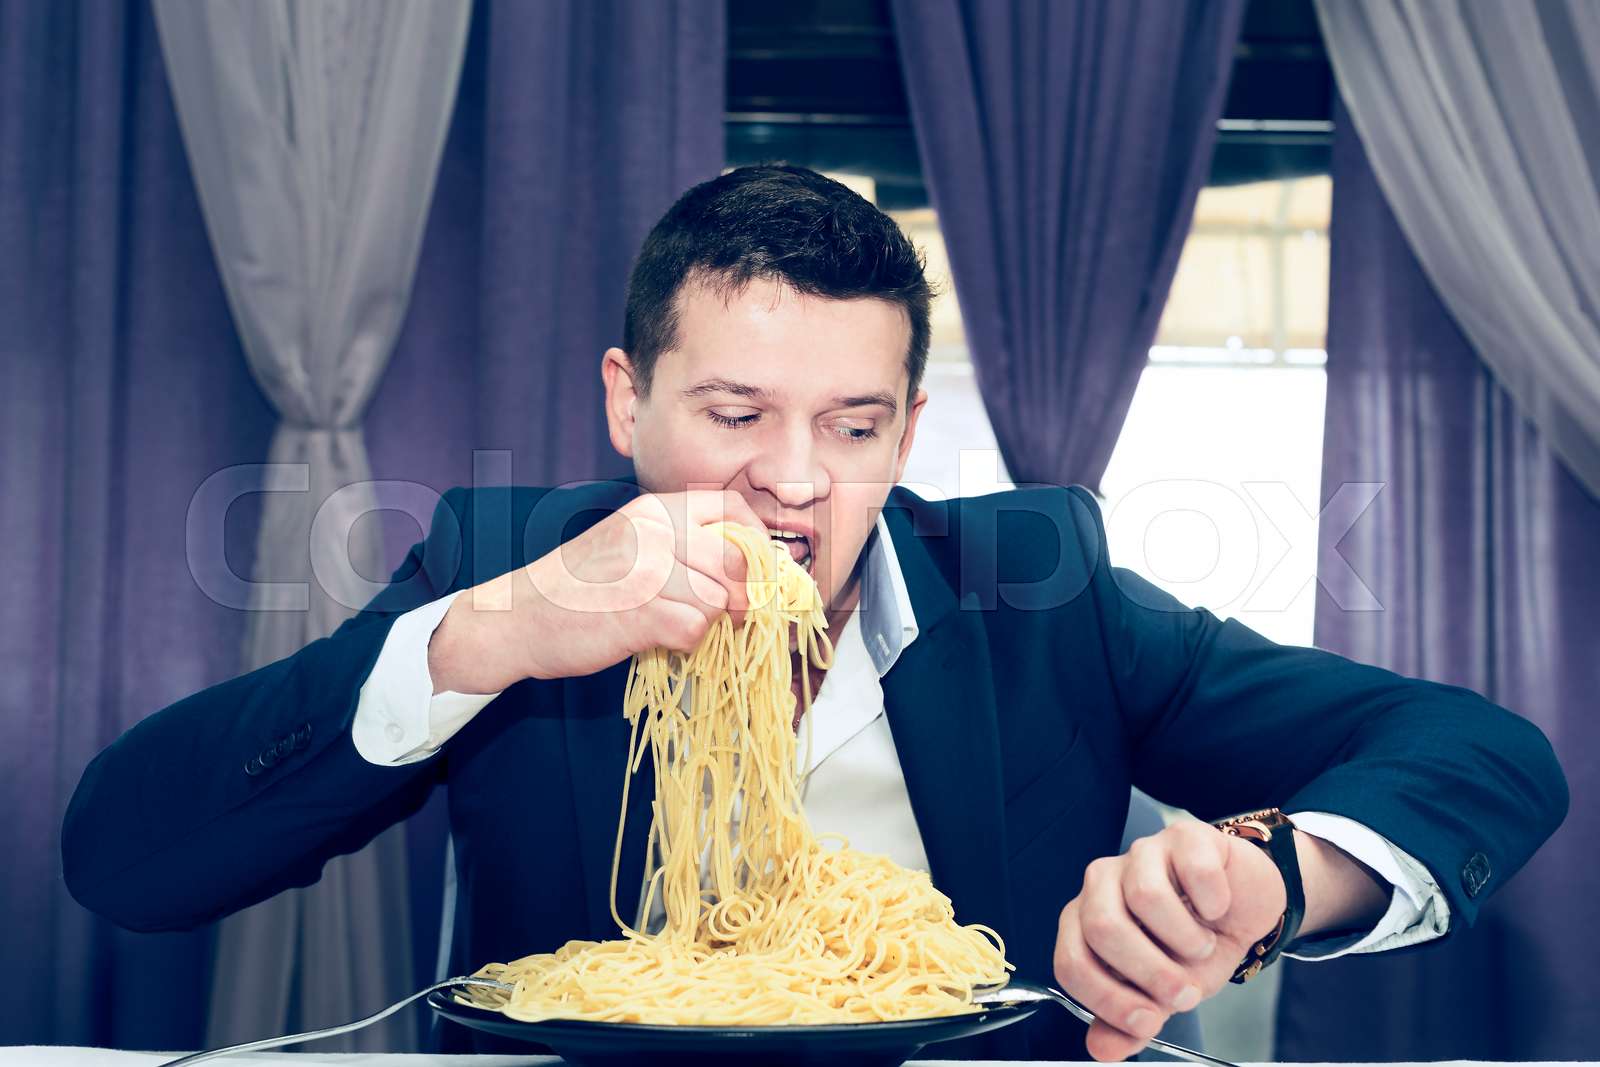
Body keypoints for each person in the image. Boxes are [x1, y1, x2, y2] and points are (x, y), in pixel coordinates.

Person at [62, 165, 1568, 1061]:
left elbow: (1476, 748)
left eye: (853, 425)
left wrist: (1278, 883)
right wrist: (484, 638)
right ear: (626, 402)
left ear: (907, 434)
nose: (793, 483)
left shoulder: (1045, 592)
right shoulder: (505, 562)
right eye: (732, 412)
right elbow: (128, 855)